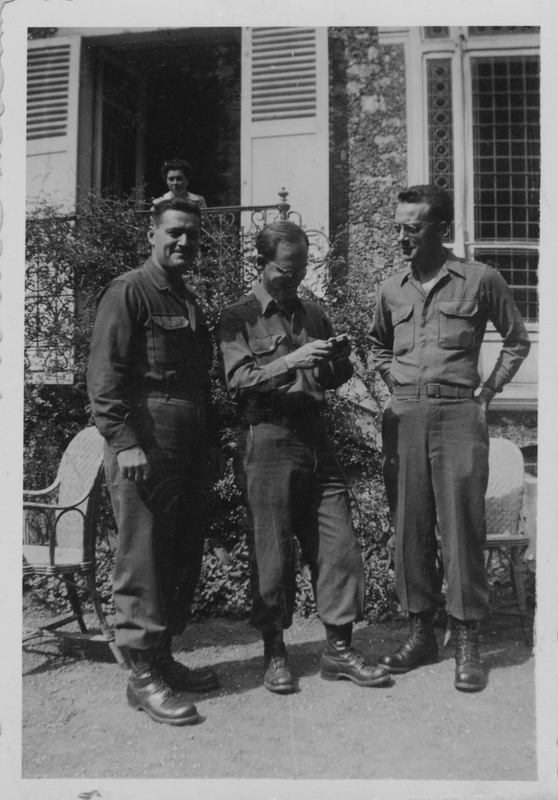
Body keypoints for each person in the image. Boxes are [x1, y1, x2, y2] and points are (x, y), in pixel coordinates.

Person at [218, 220, 390, 694]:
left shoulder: (313, 313)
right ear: (261, 263)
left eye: (300, 271)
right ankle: (275, 651)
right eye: (285, 272)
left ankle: (338, 649)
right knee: (272, 553)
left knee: (339, 546)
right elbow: (237, 383)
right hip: (268, 439)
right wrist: (291, 361)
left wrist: (337, 358)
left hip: (317, 438)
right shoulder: (238, 317)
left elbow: (332, 378)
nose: (294, 281)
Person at [369, 185, 530, 692]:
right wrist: (389, 391)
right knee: (410, 524)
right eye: (398, 227)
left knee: (461, 524)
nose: (401, 237)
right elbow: (376, 344)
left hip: (460, 412)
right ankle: (420, 633)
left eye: (411, 228)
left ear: (440, 229)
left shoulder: (480, 279)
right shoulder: (391, 287)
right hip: (405, 416)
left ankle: (467, 641)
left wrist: (486, 395)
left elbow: (517, 339)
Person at [87, 197, 223, 726]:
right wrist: (125, 442)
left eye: (191, 234)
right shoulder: (128, 291)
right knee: (142, 555)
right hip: (144, 443)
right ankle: (141, 675)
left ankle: (162, 657)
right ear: (152, 234)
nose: (183, 242)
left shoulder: (189, 299)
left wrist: (209, 442)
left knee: (179, 551)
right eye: (174, 232)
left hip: (186, 443)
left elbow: (198, 383)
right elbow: (104, 378)